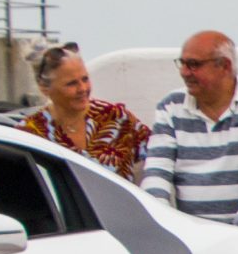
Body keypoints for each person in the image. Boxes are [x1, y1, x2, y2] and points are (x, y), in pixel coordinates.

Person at [139, 32, 238, 239]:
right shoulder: (171, 106)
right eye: (182, 63)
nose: (184, 72)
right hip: (198, 235)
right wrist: (162, 227)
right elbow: (157, 173)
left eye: (193, 64)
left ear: (225, 66)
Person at [20, 43, 149, 183]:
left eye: (85, 79)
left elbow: (158, 154)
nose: (83, 88)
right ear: (44, 88)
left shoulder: (115, 118)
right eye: (71, 83)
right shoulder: (30, 133)